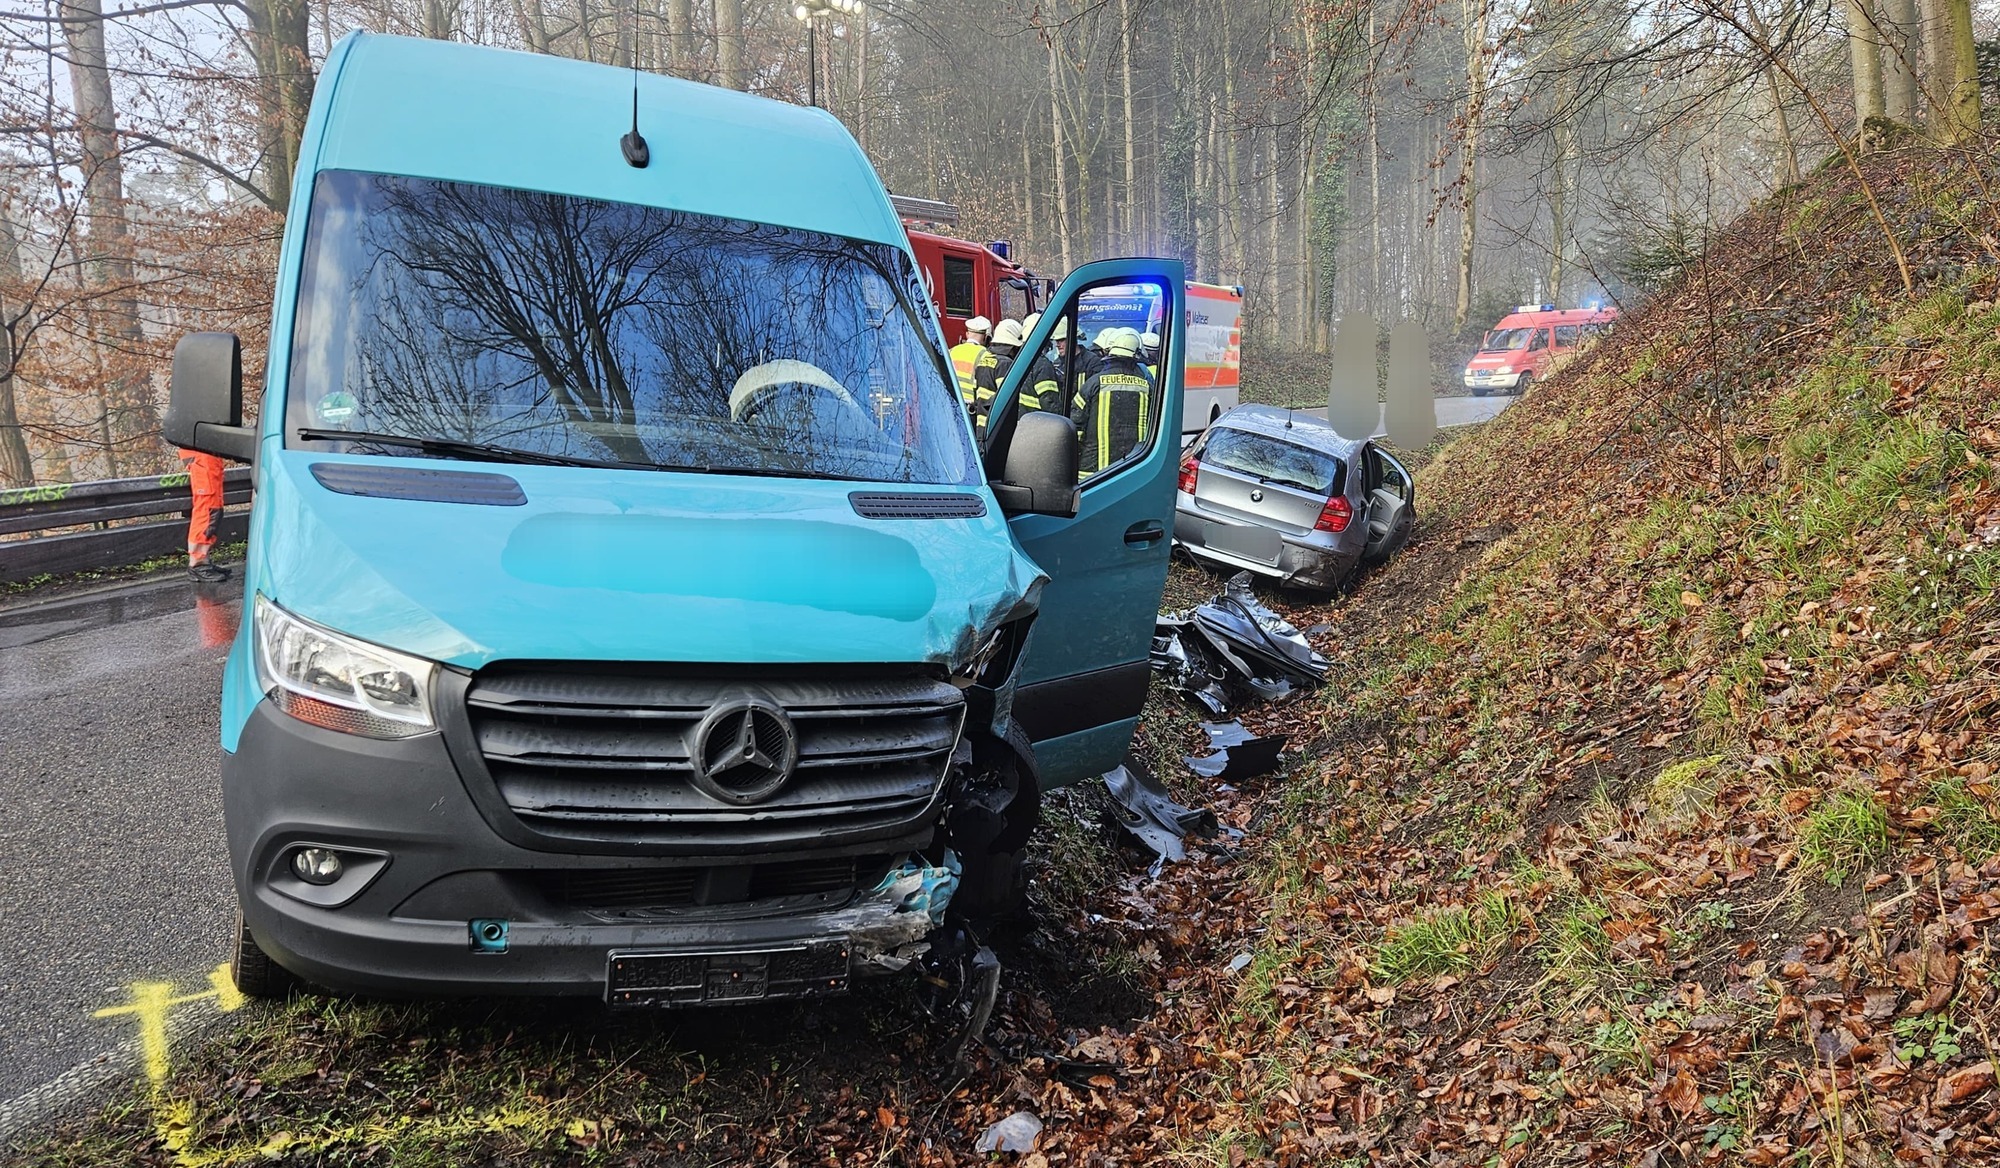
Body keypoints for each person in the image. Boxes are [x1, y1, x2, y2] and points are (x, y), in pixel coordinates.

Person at [1070, 327, 1155, 478]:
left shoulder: (1093, 383)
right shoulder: (1146, 387)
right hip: (1132, 469)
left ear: (1110, 354)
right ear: (1136, 356)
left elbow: (1075, 425)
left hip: (1093, 474)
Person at [179, 448, 229, 582]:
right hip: (202, 456)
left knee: (213, 508)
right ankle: (198, 564)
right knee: (207, 511)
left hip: (208, 455)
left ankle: (203, 561)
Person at [975, 318, 1027, 427]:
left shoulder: (984, 360)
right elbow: (1005, 400)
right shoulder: (1005, 364)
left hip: (981, 424)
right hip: (996, 426)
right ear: (1013, 345)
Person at [950, 316, 991, 418]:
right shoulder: (985, 355)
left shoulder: (951, 351)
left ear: (967, 334)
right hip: (970, 410)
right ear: (985, 337)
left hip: (951, 405)